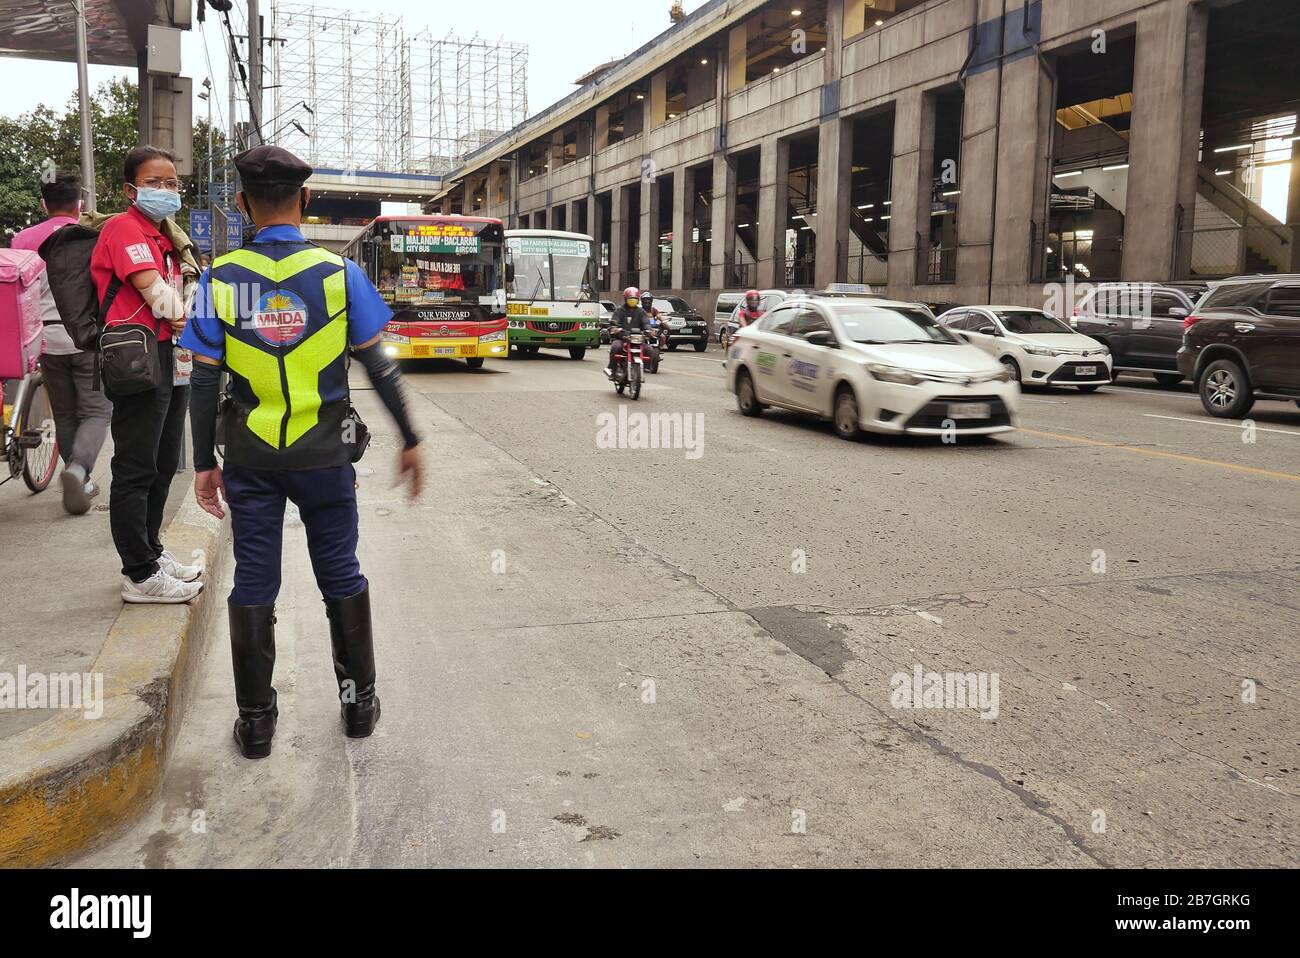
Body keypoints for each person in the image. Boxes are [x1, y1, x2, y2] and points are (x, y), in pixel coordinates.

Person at [181, 144, 425, 760]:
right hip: (324, 458)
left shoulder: (218, 280)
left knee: (255, 579)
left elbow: (205, 378)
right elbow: (379, 365)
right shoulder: (342, 276)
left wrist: (204, 461)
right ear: (306, 200)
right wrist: (410, 439)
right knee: (339, 571)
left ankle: (257, 723)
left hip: (252, 457)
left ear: (241, 204)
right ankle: (358, 707)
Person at [91, 146, 203, 603]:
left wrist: (188, 321)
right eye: (154, 183)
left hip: (170, 356)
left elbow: (182, 295)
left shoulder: (167, 237)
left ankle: (152, 552)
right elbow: (157, 294)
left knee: (161, 463)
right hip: (138, 356)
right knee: (136, 466)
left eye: (172, 183)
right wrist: (190, 321)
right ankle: (138, 574)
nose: (166, 190)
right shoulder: (125, 228)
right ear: (130, 189)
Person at [10, 170, 111, 515]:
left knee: (65, 413)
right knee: (96, 410)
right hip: (85, 336)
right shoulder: (90, 236)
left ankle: (77, 478)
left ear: (43, 204)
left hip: (44, 339)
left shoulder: (22, 239)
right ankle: (79, 470)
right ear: (80, 204)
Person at [606, 286, 650, 379]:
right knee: (615, 347)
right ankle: (612, 370)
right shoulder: (620, 310)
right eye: (630, 299)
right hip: (622, 338)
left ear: (638, 300)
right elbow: (615, 321)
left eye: (634, 299)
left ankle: (643, 368)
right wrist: (615, 328)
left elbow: (646, 322)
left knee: (649, 350)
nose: (632, 301)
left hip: (637, 339)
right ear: (626, 299)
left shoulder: (641, 311)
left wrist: (649, 330)